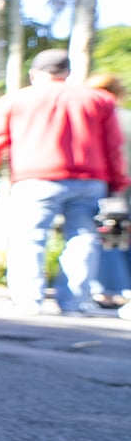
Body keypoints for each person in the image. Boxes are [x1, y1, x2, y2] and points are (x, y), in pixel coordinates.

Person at [0, 49, 127, 316]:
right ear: (66, 73)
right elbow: (113, 145)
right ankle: (74, 303)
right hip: (89, 180)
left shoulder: (16, 99)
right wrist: (117, 181)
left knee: (29, 238)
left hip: (35, 180)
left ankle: (28, 301)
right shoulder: (98, 100)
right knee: (83, 239)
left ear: (34, 74)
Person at [86, 73, 131, 307]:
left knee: (109, 237)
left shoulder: (96, 118)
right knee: (122, 236)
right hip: (121, 185)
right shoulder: (126, 116)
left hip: (110, 186)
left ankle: (110, 290)